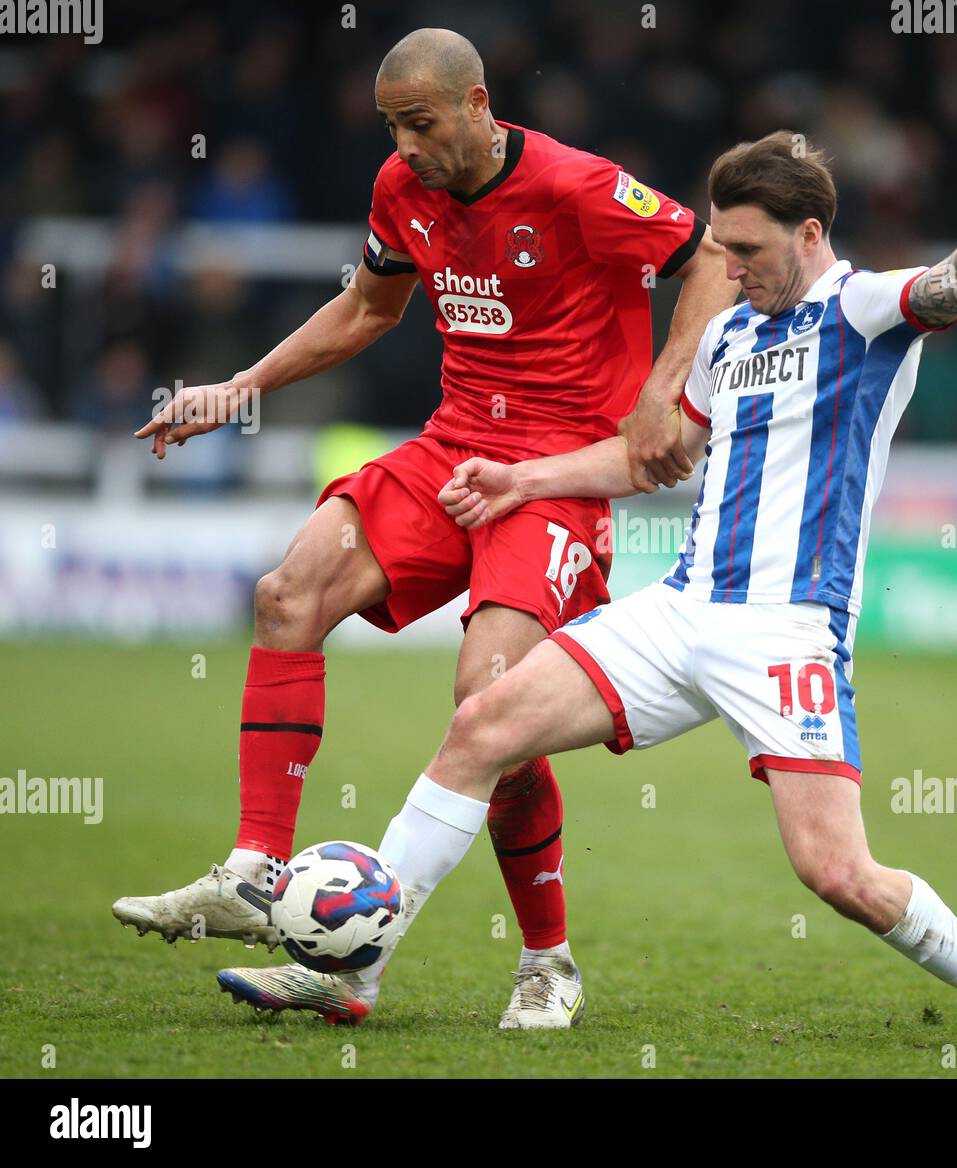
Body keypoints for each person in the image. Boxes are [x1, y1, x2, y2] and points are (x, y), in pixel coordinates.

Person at [218, 133, 957, 1052]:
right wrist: (524, 481)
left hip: (785, 634)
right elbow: (653, 458)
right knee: (481, 724)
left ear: (810, 234)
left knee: (836, 872)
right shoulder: (728, 334)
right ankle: (351, 971)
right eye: (723, 250)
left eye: (749, 252)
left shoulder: (860, 309)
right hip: (679, 610)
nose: (728, 269)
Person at [111, 27, 737, 1030]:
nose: (405, 144)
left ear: (480, 105)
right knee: (287, 595)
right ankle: (252, 871)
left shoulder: (576, 186)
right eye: (392, 125)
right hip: (451, 450)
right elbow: (366, 309)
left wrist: (665, 387)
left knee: (490, 708)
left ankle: (546, 959)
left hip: (553, 472)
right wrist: (241, 386)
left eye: (421, 121)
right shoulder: (400, 191)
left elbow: (706, 257)